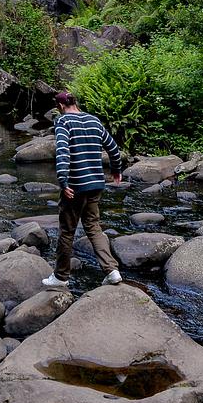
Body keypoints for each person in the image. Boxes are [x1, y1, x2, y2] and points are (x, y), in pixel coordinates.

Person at [42, 90, 123, 288]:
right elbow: (113, 148)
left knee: (67, 231)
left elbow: (62, 152)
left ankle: (60, 277)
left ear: (60, 106)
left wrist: (63, 181)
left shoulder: (63, 122)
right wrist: (116, 170)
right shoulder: (94, 120)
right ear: (75, 102)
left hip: (75, 186)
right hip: (95, 184)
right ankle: (112, 270)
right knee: (94, 228)